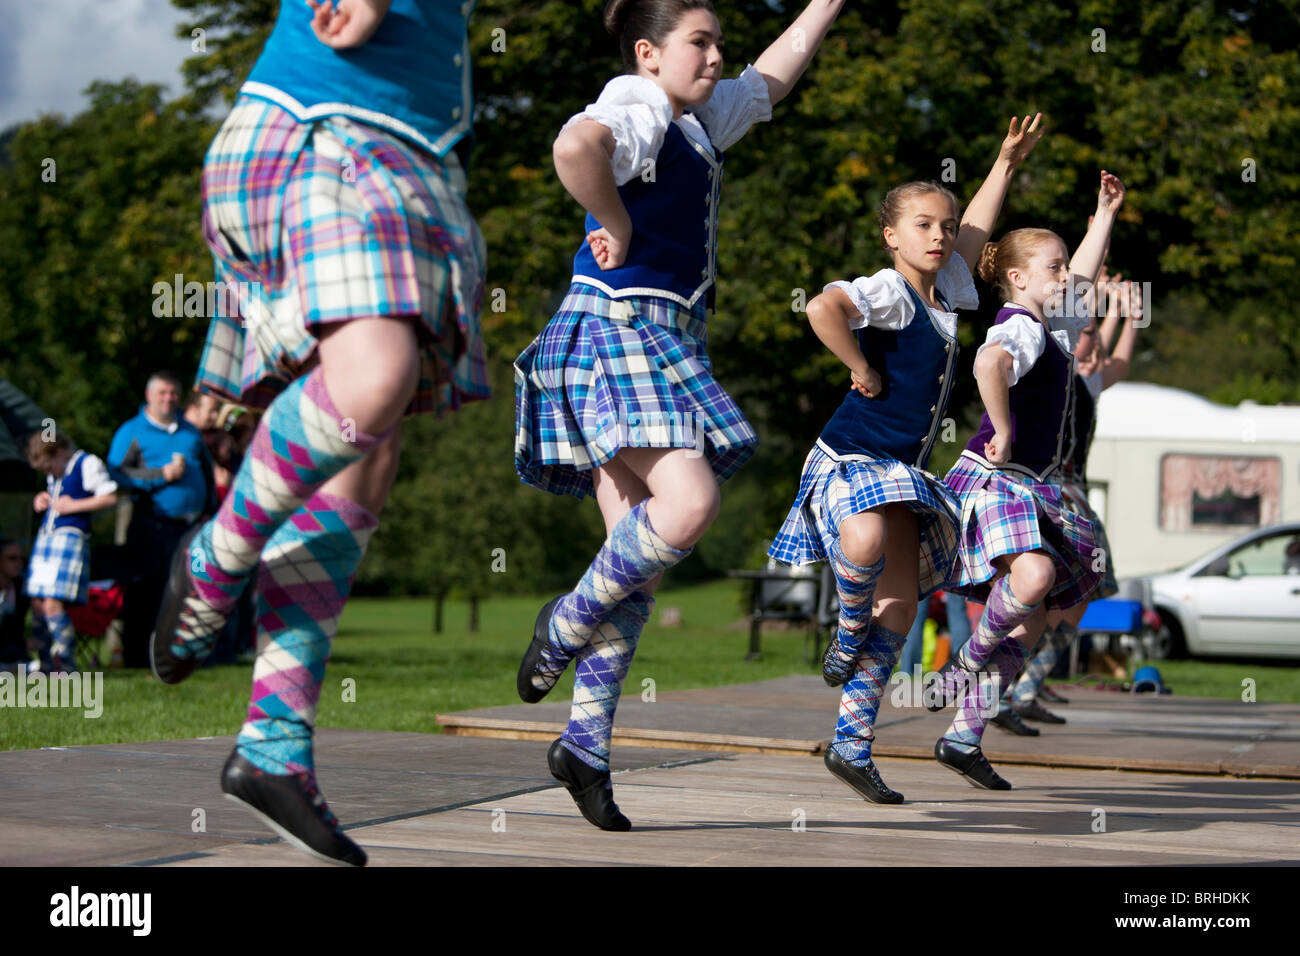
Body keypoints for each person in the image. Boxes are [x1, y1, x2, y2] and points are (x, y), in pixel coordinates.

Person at [152, 0, 489, 866]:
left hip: (408, 157)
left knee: (361, 470)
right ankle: (219, 552)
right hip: (324, 131)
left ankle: (273, 747)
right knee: (373, 383)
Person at [513, 0, 846, 830]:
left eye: (718, 43)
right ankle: (563, 621)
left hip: (663, 344)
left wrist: (824, 6)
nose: (716, 55)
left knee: (639, 564)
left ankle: (584, 747)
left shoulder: (696, 124)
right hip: (618, 334)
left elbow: (773, 74)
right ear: (647, 53)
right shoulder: (637, 103)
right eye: (699, 42)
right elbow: (573, 145)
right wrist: (617, 221)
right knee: (690, 506)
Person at [768, 116, 1042, 803]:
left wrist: (1005, 161)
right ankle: (844, 630)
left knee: (898, 609)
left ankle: (851, 746)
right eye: (924, 225)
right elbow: (823, 309)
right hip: (851, 456)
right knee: (860, 540)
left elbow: (978, 226)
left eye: (944, 227)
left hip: (903, 472)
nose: (941, 235)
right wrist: (858, 363)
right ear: (892, 235)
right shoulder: (889, 291)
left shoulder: (949, 288)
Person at [931, 171, 1126, 789]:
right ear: (1018, 278)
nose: (1067, 277)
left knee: (1035, 619)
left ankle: (964, 735)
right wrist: (999, 424)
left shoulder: (1055, 327)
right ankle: (966, 659)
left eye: (1065, 267)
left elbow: (1087, 279)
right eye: (1054, 267)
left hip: (1030, 484)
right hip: (998, 477)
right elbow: (988, 360)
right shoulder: (1018, 322)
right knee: (1036, 577)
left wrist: (1104, 215)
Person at [1003, 273, 1143, 720]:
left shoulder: (1085, 382)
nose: (1093, 337)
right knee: (1041, 597)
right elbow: (1083, 338)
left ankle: (1025, 686)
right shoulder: (1056, 363)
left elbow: (1112, 361)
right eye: (1087, 330)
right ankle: (1006, 690)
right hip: (1050, 491)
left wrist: (1127, 314)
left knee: (1077, 598)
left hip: (1072, 493)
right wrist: (1105, 303)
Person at [107, 371, 214, 668]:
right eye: (162, 393)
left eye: (173, 393)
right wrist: (160, 476)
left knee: (191, 590)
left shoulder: (189, 431)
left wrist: (210, 509)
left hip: (192, 526)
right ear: (149, 396)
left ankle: (184, 655)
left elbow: (206, 470)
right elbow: (116, 473)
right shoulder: (132, 431)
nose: (168, 399)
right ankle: (139, 657)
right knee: (148, 592)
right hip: (153, 524)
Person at [24, 432, 119, 673]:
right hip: (48, 539)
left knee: (53, 603)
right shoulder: (56, 474)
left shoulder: (87, 464)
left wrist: (75, 506)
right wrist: (42, 500)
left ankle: (66, 664)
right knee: (37, 602)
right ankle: (45, 663)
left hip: (70, 539)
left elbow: (109, 497)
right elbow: (56, 494)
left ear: (58, 453)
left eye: (48, 467)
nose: (48, 473)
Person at [0, 536, 31, 671]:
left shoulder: (21, 588)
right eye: (12, 558)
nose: (18, 563)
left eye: (20, 558)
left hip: (14, 655)